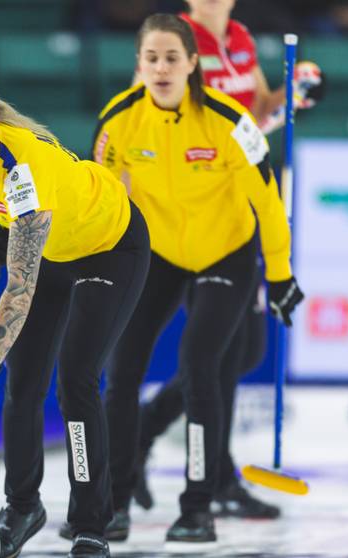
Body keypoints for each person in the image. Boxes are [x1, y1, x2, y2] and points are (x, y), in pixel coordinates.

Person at [94, 14, 304, 547]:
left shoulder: (230, 122)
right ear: (138, 65)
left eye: (172, 58)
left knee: (199, 363)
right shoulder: (118, 121)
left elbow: (269, 203)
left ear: (193, 65)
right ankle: (113, 501)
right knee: (121, 372)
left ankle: (197, 506)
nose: (161, 68)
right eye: (151, 58)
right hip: (160, 252)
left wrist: (278, 277)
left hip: (225, 254)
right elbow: (104, 196)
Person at [0, 65, 151, 558]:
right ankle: (23, 506)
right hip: (52, 248)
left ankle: (93, 520)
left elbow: (21, 286)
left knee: (75, 379)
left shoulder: (26, 166)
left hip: (108, 246)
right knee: (24, 383)